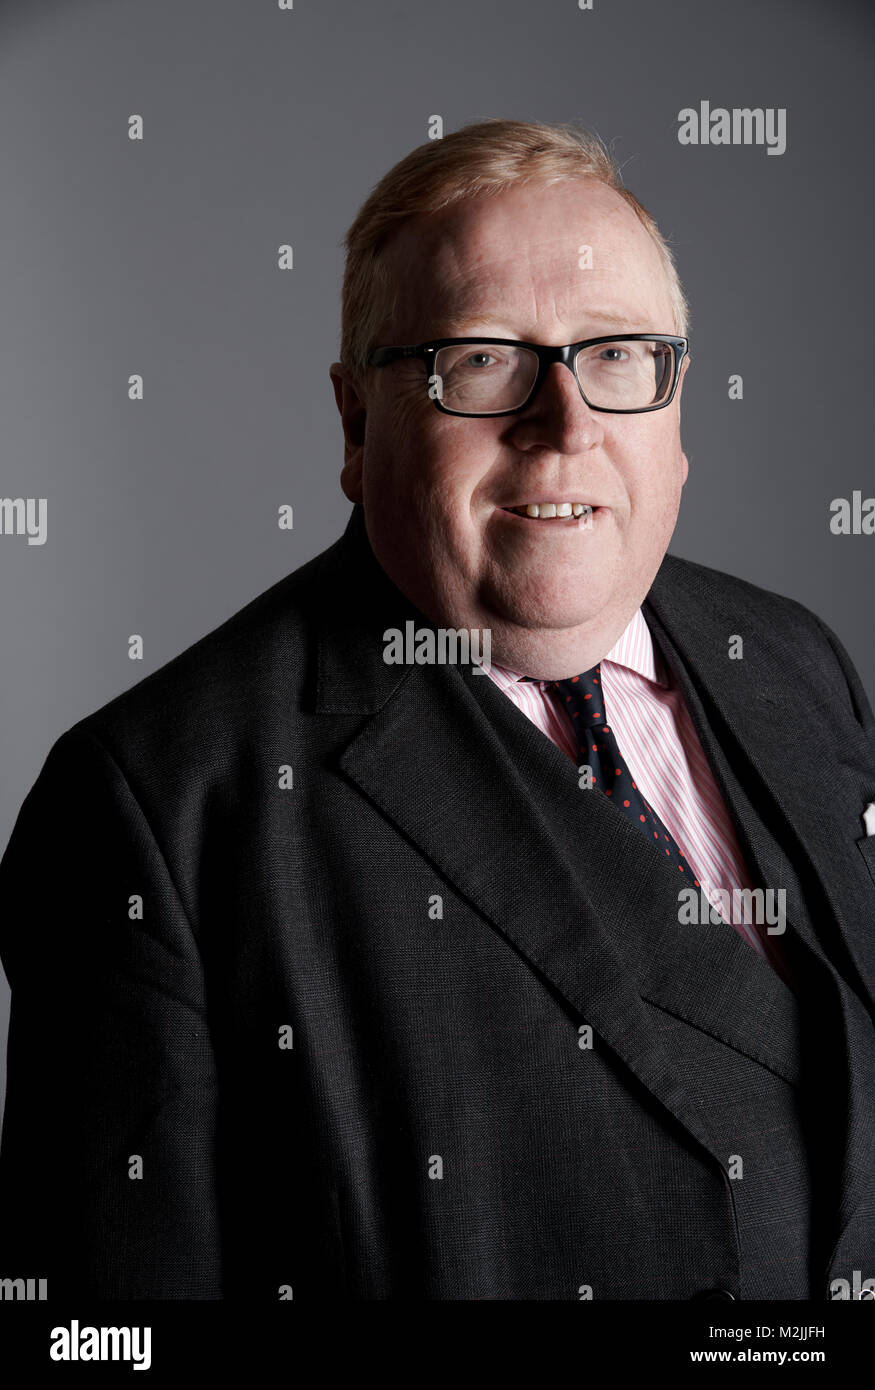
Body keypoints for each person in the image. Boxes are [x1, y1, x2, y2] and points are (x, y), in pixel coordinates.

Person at [1, 118, 873, 1301]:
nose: (565, 427)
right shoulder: (157, 807)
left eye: (616, 355)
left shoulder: (791, 660)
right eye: (480, 361)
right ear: (357, 423)